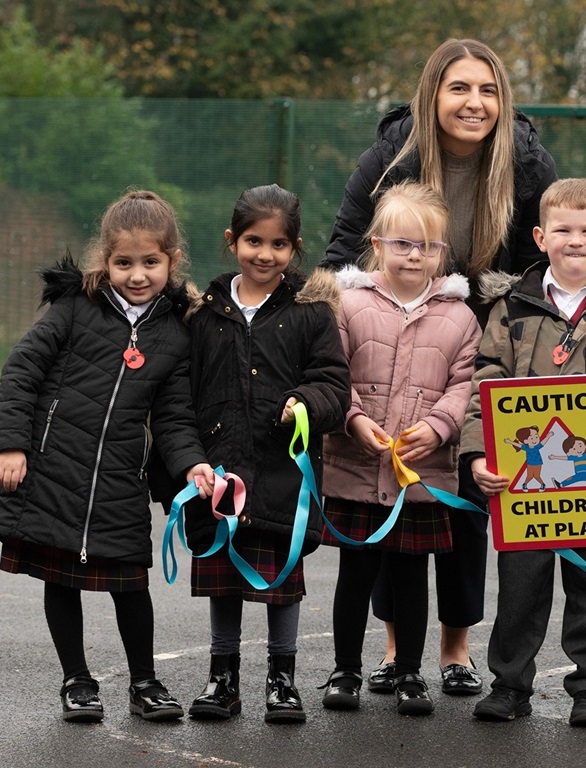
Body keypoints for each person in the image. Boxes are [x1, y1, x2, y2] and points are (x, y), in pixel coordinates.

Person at [322, 37, 559, 697]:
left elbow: (545, 261)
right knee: (393, 491)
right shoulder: (390, 157)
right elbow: (344, 246)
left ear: (502, 101)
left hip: (482, 338)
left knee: (466, 502)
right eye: (459, 88)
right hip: (393, 331)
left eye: (487, 90)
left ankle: (456, 648)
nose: (474, 103)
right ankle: (398, 650)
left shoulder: (529, 164)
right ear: (433, 95)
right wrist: (328, 330)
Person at [0, 189, 217, 723]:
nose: (137, 274)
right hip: (52, 471)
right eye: (124, 262)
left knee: (132, 584)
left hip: (119, 481)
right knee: (59, 579)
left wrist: (192, 464)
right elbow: (22, 372)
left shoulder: (175, 336)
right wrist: (12, 444)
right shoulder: (74, 309)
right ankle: (77, 680)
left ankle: (144, 683)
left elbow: (175, 418)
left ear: (172, 261)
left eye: (150, 262)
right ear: (104, 260)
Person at [462, 178, 586, 728]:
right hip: (525, 487)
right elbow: (486, 383)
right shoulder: (511, 306)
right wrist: (480, 457)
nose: (575, 240)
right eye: (562, 230)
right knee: (520, 589)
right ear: (540, 236)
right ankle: (509, 685)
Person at [183, 185, 350, 724]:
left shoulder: (312, 312)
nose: (264, 254)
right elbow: (182, 394)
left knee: (281, 582)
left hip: (283, 477)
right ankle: (222, 678)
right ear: (232, 241)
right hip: (221, 473)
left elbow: (333, 384)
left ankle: (283, 682)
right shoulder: (203, 315)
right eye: (254, 240)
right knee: (224, 576)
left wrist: (305, 402)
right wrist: (191, 459)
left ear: (295, 248)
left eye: (279, 245)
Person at [319, 181, 482, 716]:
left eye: (428, 246)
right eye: (403, 243)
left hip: (423, 475)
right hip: (358, 470)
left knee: (414, 576)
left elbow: (467, 385)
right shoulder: (346, 303)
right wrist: (352, 418)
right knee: (356, 574)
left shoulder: (461, 316)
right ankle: (345, 671)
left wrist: (439, 427)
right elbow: (330, 372)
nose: (415, 255)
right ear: (376, 242)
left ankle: (411, 672)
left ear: (443, 252)